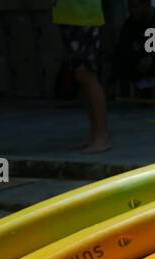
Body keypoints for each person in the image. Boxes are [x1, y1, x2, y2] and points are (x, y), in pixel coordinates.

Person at [53, 0, 109, 152]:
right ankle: (93, 134)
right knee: (80, 77)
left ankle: (101, 136)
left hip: (84, 16)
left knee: (86, 74)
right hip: (68, 15)